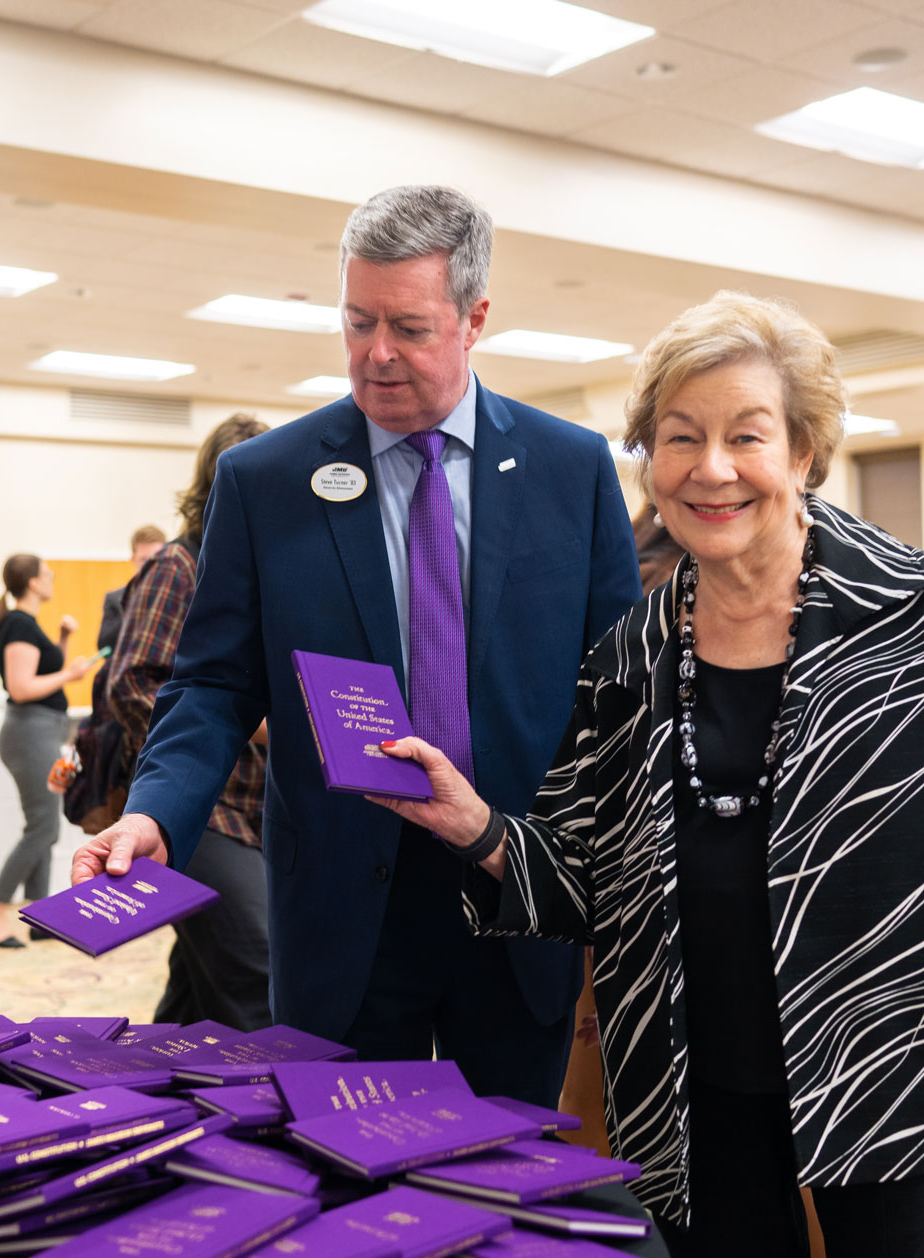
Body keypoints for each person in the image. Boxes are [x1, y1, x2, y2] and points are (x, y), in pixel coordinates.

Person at [369, 289, 924, 1258]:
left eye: (745, 433)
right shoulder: (630, 653)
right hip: (693, 1080)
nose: (710, 468)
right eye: (678, 435)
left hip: (889, 1078)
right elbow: (576, 871)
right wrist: (475, 828)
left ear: (806, 452)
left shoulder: (906, 619)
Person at [73, 183, 641, 1103]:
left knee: (509, 1188)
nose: (376, 355)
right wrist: (155, 813)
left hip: (510, 893)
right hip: (343, 906)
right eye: (357, 321)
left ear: (475, 317)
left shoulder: (569, 470)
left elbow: (620, 693)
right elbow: (211, 686)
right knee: (345, 1184)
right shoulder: (267, 480)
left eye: (409, 327)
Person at [107, 414, 272, 1031]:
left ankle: (139, 1087)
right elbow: (130, 683)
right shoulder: (177, 566)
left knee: (198, 986)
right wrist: (241, 727)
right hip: (202, 809)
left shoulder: (262, 568)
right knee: (256, 967)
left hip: (258, 811)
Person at [0, 554, 91, 947]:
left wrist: (61, 640)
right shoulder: (18, 624)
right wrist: (72, 674)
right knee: (43, 826)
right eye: (47, 574)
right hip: (28, 734)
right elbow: (22, 688)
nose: (52, 578)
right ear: (31, 583)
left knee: (46, 824)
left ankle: (40, 916)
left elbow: (39, 674)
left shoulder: (27, 625)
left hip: (40, 732)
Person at [96, 524, 166, 652]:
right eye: (144, 560)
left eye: (156, 559)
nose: (150, 566)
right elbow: (104, 647)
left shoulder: (176, 596)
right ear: (133, 560)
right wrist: (134, 606)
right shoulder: (114, 598)